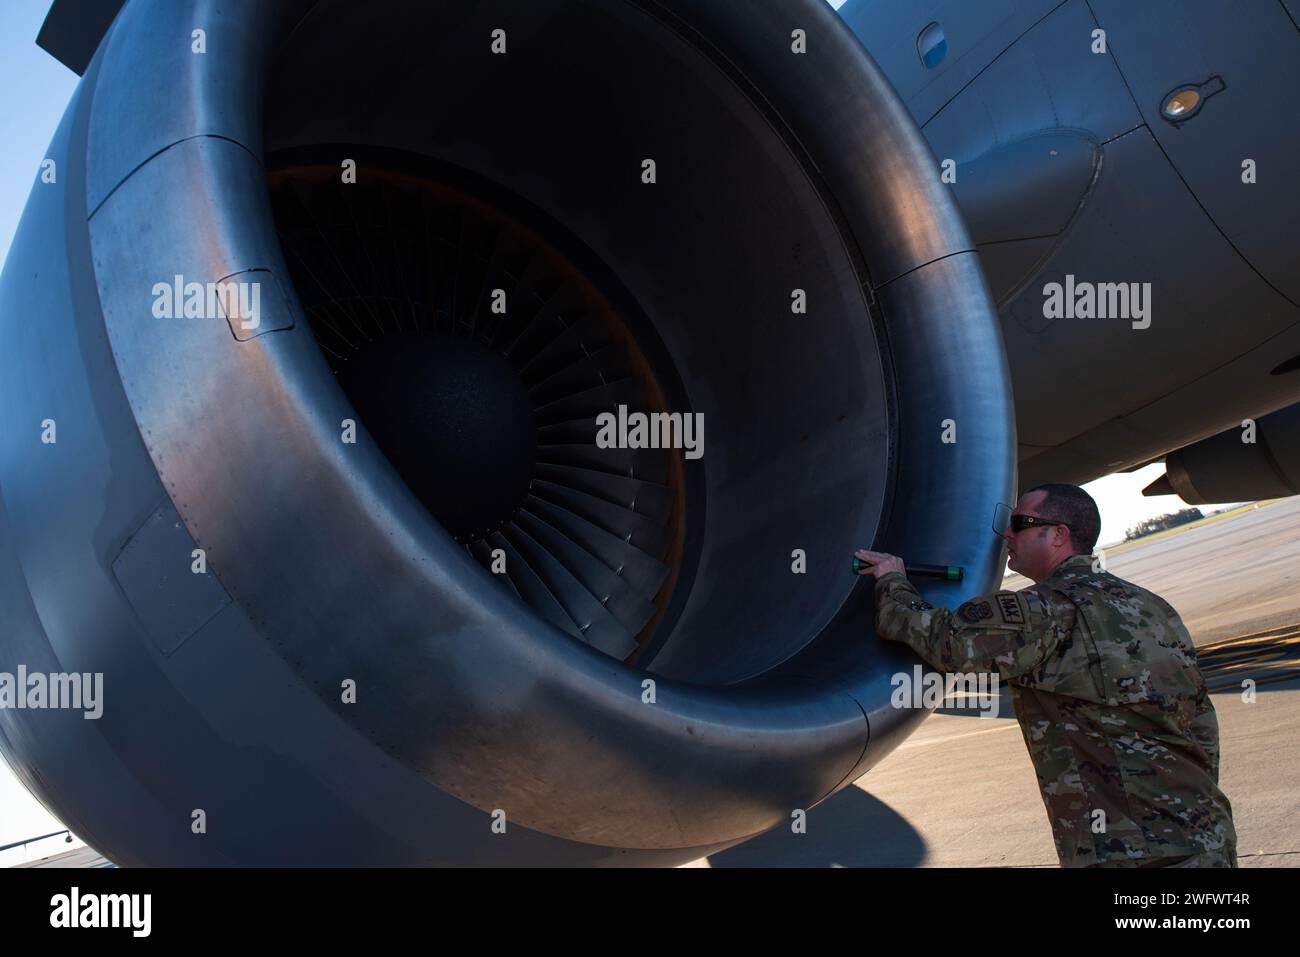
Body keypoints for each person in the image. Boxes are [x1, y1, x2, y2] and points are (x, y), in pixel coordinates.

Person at [855, 483, 1237, 868]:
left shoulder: (1046, 609)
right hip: (1204, 836)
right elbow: (1201, 724)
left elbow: (950, 645)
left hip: (1133, 851)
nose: (1007, 534)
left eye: (1019, 523)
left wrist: (892, 579)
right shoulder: (1153, 607)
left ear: (1058, 535)